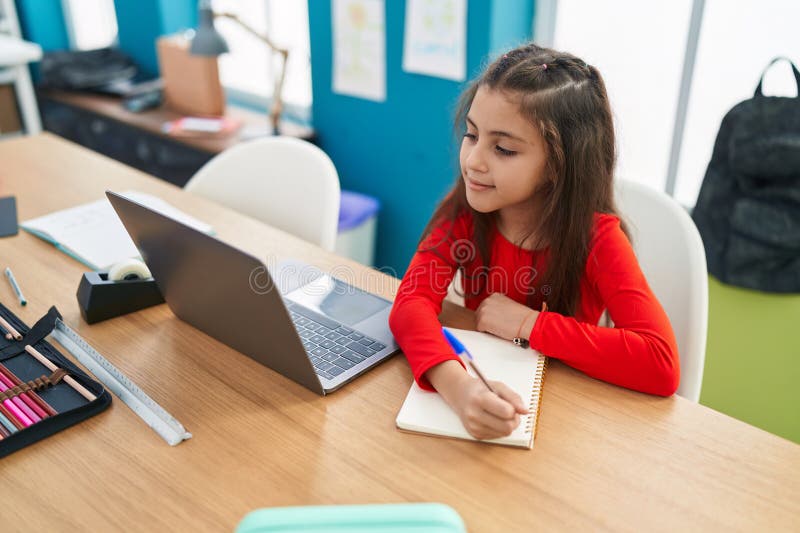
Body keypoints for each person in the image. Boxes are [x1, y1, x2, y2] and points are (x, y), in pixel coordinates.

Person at [388, 43, 679, 441]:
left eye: (503, 148)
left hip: (568, 420)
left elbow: (660, 362)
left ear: (559, 166)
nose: (474, 160)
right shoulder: (464, 215)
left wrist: (530, 324)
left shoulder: (599, 240)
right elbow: (410, 306)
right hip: (489, 394)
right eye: (472, 135)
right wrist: (458, 388)